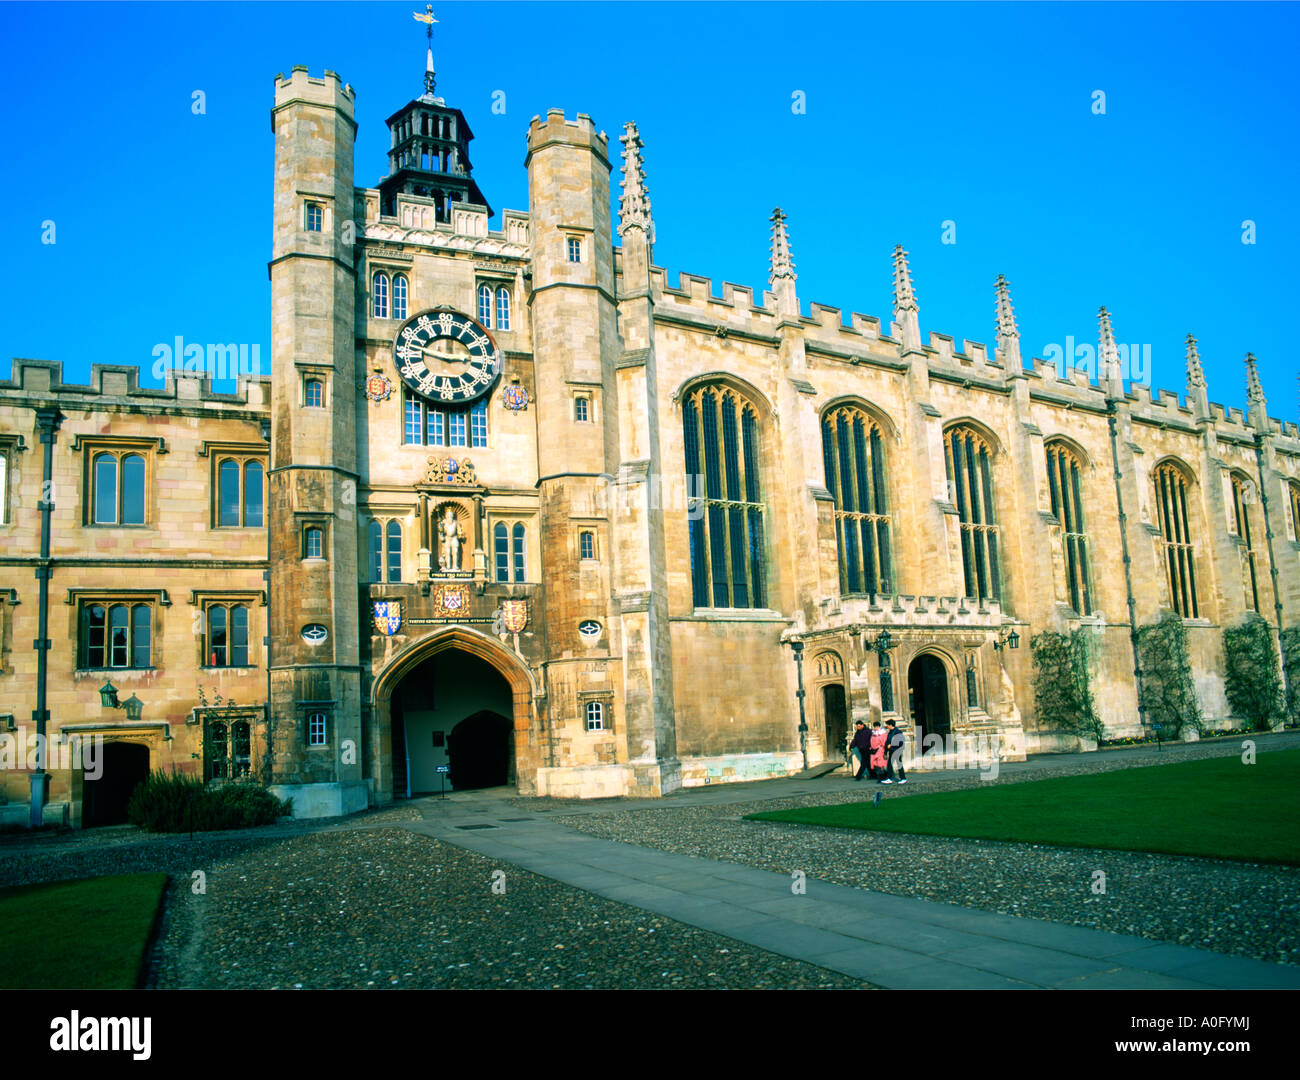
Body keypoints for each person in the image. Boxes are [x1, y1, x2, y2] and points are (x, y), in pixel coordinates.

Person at [881, 718, 908, 784]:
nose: (887, 726)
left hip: (897, 750)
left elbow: (900, 742)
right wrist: (885, 751)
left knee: (899, 764)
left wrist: (892, 745)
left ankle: (903, 778)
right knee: (889, 765)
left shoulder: (898, 732)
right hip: (891, 751)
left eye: (887, 725)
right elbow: (887, 742)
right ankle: (889, 778)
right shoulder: (890, 732)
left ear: (890, 725)